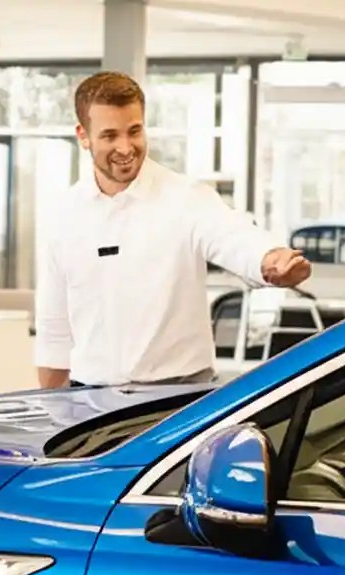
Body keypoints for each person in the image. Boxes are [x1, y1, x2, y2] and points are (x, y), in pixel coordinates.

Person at [34, 71, 312, 389]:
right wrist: (52, 407)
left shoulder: (186, 198)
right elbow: (54, 328)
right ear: (83, 136)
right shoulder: (64, 215)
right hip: (89, 397)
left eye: (134, 131)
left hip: (179, 395)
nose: (125, 147)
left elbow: (234, 236)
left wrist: (270, 259)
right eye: (110, 136)